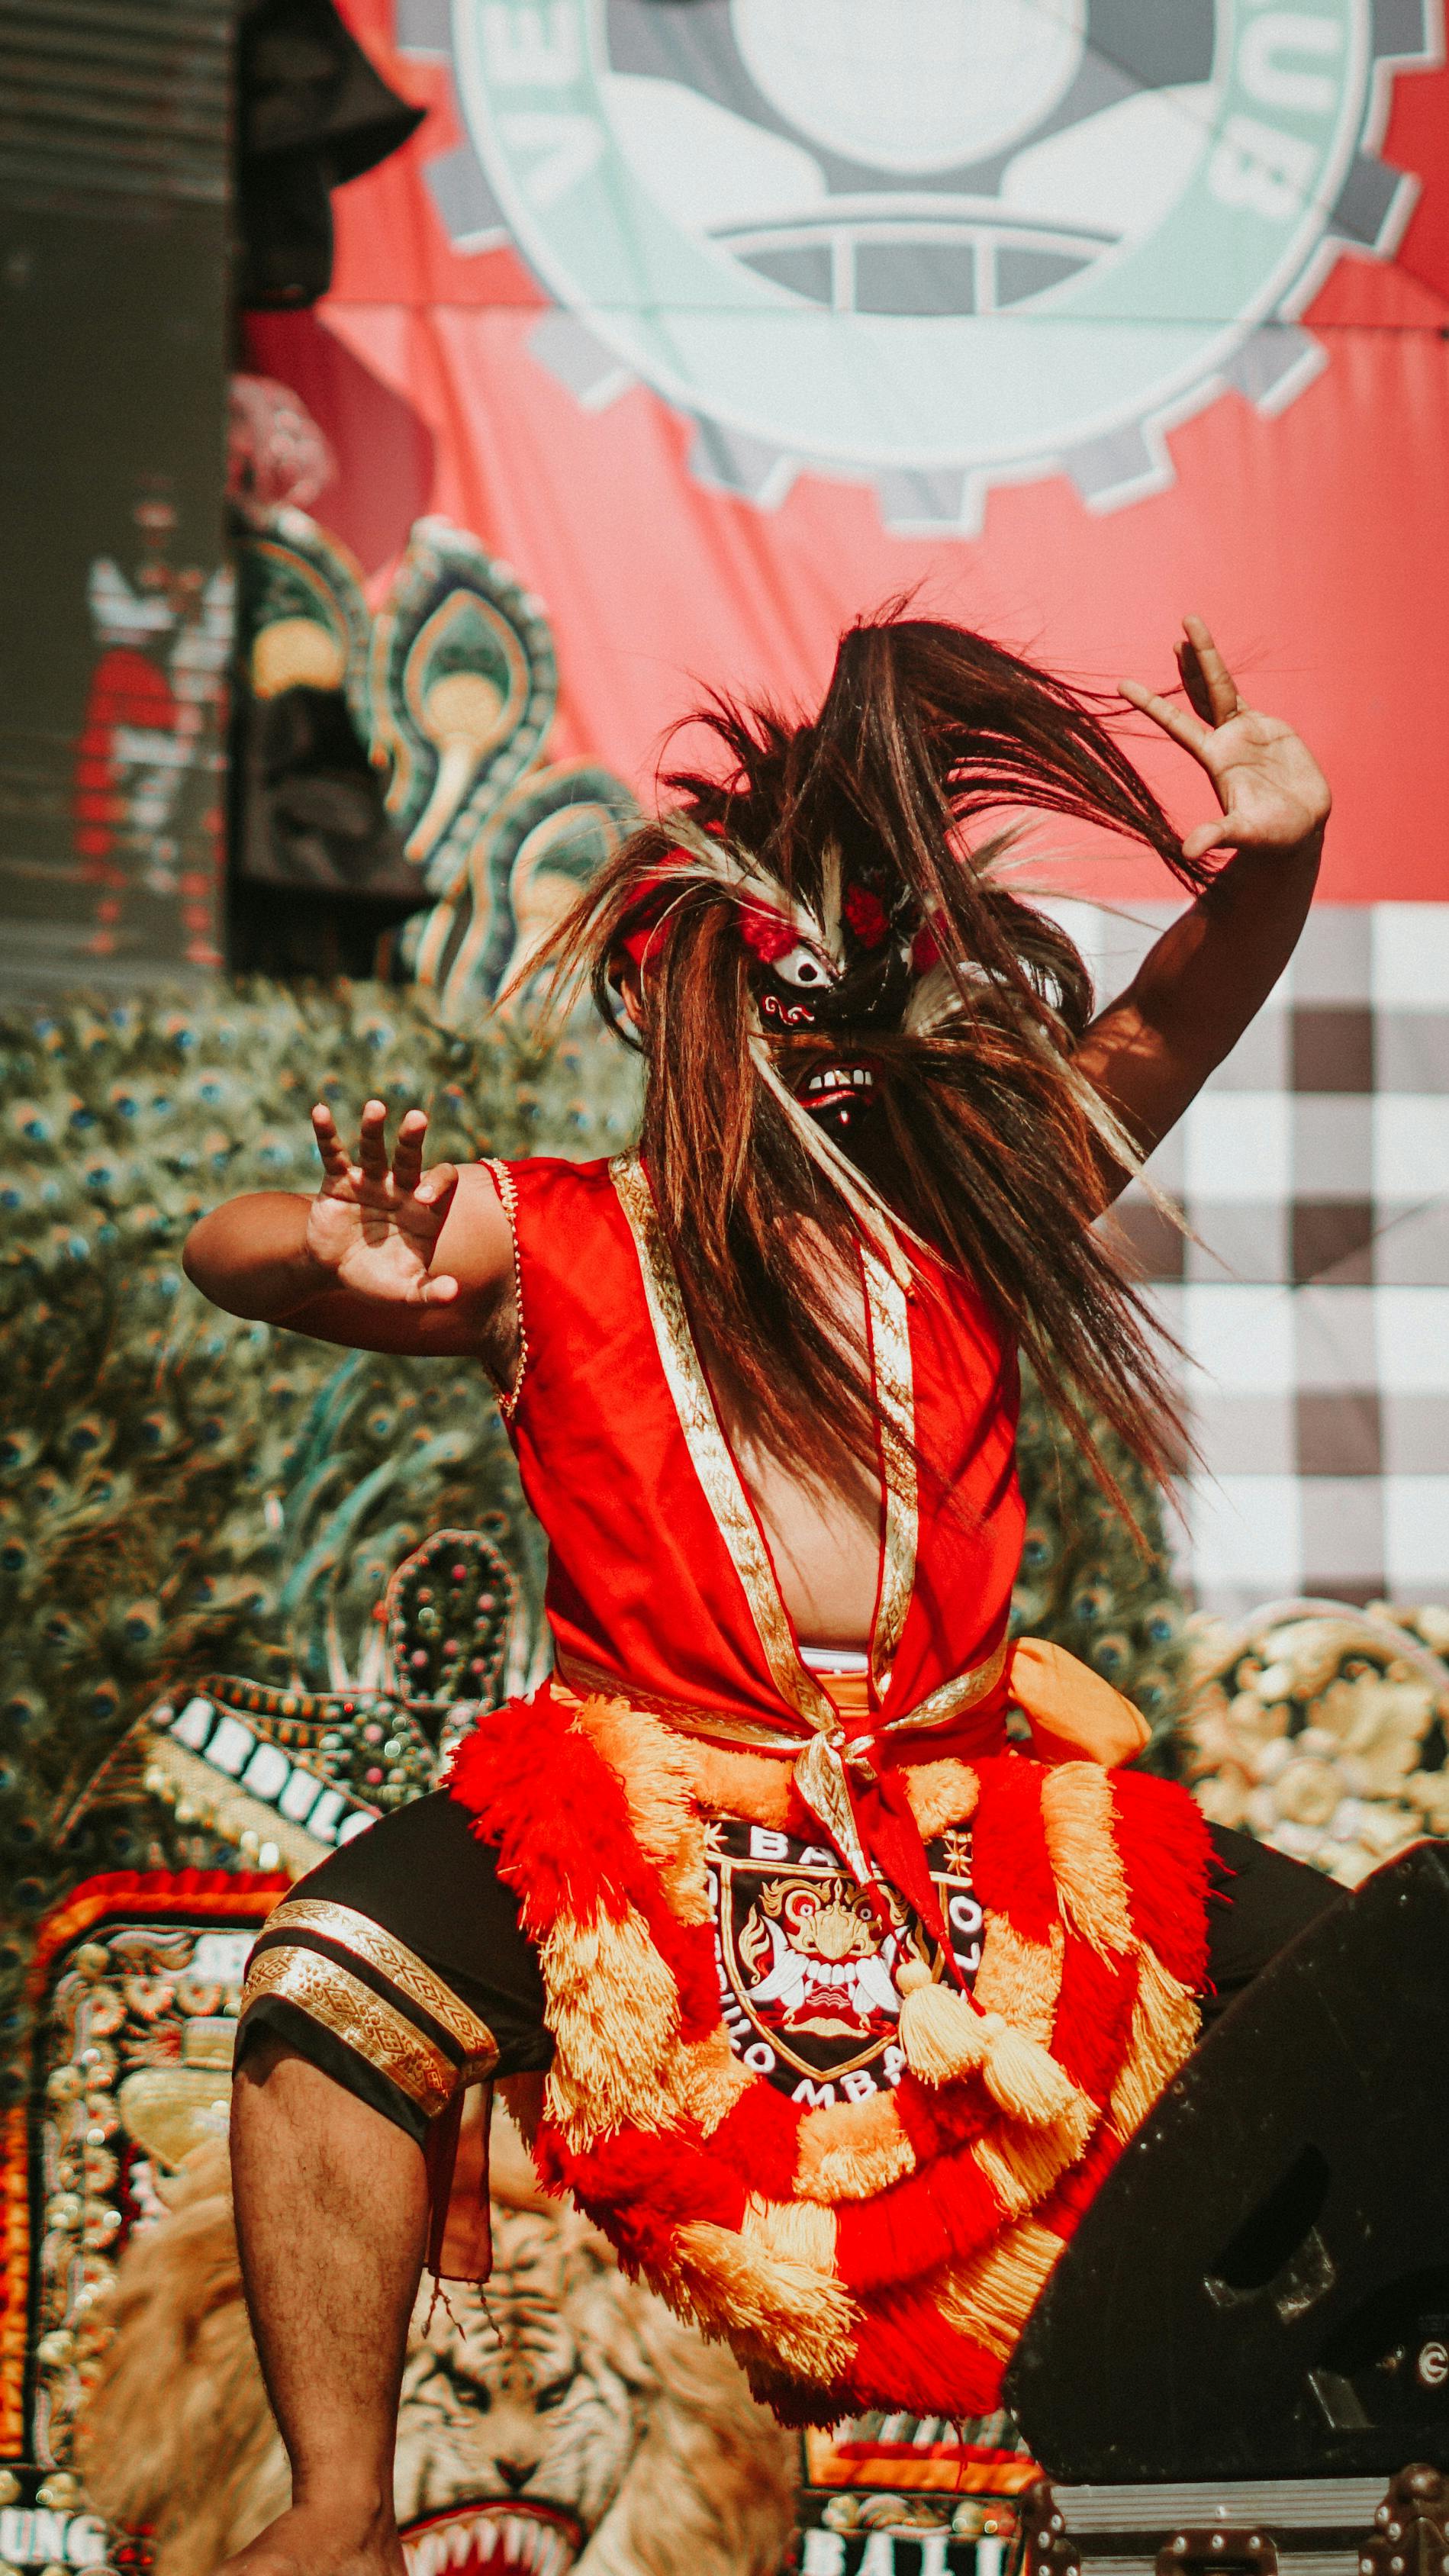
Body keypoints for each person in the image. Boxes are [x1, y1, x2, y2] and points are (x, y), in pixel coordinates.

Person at [185, 612, 1338, 2576]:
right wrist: (321, 1251)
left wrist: (1282, 856)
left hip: (963, 1809)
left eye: (850, 982)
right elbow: (227, 1245)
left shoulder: (980, 1196)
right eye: (772, 992)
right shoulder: (549, 1226)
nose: (811, 1031)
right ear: (690, 1005)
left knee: (1355, 1990)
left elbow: (1179, 1007)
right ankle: (339, 2512)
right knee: (325, 1975)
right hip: (643, 1805)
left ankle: (1284, 2484)